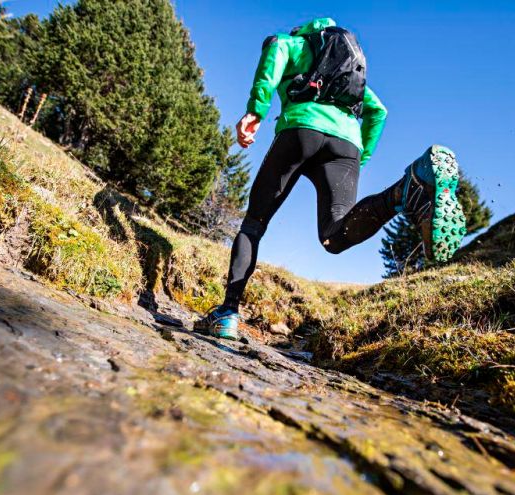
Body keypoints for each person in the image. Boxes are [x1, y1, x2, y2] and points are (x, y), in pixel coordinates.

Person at [195, 17, 466, 340]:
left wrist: (256, 109)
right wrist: (358, 160)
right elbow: (378, 111)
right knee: (334, 236)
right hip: (346, 144)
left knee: (254, 224)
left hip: (301, 131)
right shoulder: (345, 72)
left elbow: (277, 49)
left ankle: (227, 313)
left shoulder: (296, 44)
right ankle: (403, 192)